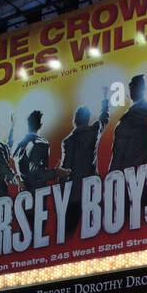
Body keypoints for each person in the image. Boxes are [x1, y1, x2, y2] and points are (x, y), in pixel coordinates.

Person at [109, 48, 147, 175]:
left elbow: (117, 158)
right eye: (131, 85)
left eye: (133, 86)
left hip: (130, 179)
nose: (131, 88)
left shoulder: (136, 115)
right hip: (140, 178)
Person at [59, 91, 111, 240]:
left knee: (68, 234)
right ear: (88, 119)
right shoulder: (93, 132)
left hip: (72, 195)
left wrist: (61, 193)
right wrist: (105, 101)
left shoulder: (67, 141)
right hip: (91, 192)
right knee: (97, 233)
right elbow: (103, 119)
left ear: (74, 120)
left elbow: (65, 168)